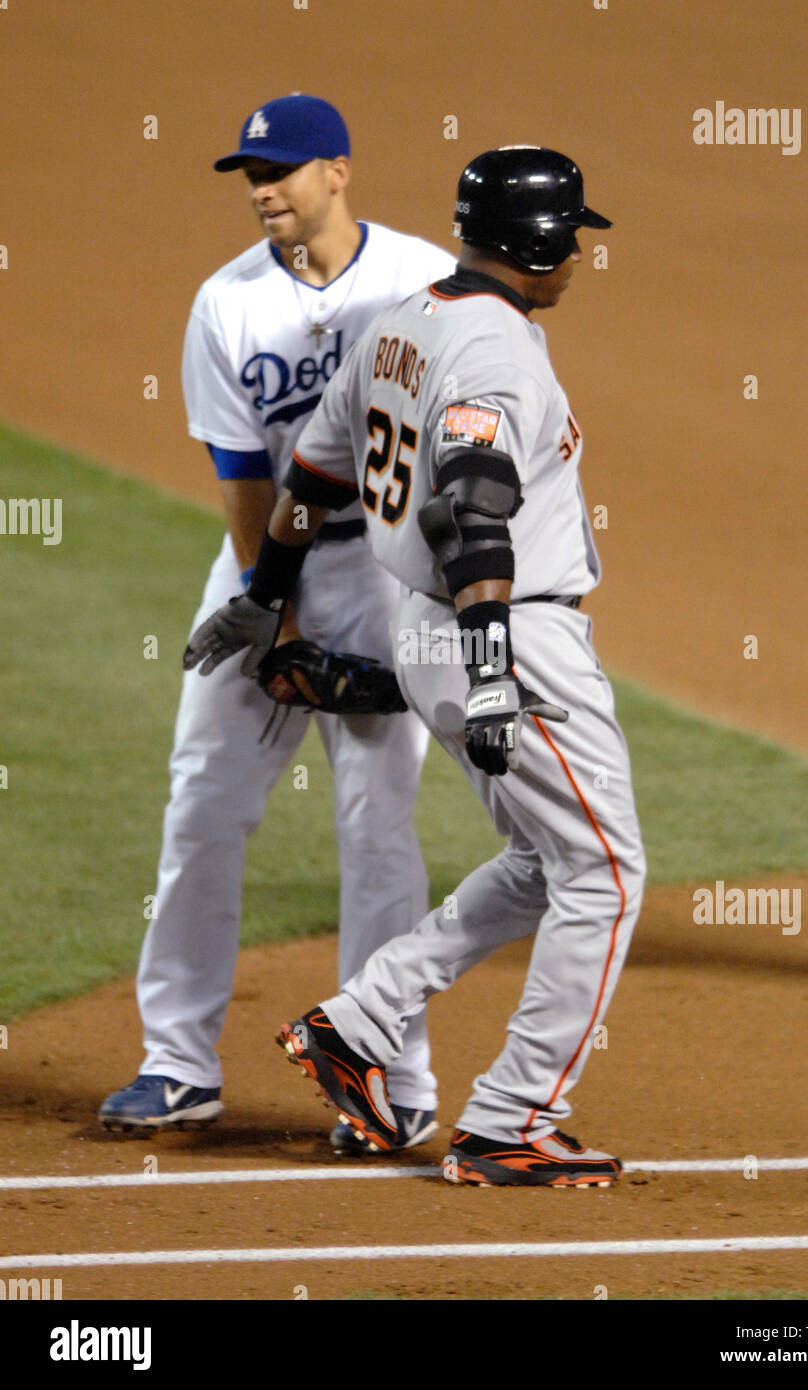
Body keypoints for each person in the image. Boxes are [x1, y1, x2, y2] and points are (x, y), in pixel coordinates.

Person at [184, 145, 646, 1188]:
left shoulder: (402, 324)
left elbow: (310, 472)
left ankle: (358, 1020)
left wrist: (265, 589)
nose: (575, 252)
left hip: (424, 633)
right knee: (607, 876)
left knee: (543, 861)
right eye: (569, 232)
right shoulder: (494, 352)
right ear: (531, 240)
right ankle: (511, 1117)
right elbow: (474, 514)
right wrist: (492, 674)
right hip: (506, 635)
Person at [99, 94, 456, 1150]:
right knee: (203, 804)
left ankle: (387, 1075)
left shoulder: (419, 279)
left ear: (338, 170)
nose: (264, 188)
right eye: (251, 173)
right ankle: (175, 1061)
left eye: (284, 169)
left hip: (388, 572)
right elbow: (240, 468)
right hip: (261, 568)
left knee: (375, 826)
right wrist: (271, 605)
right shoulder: (226, 303)